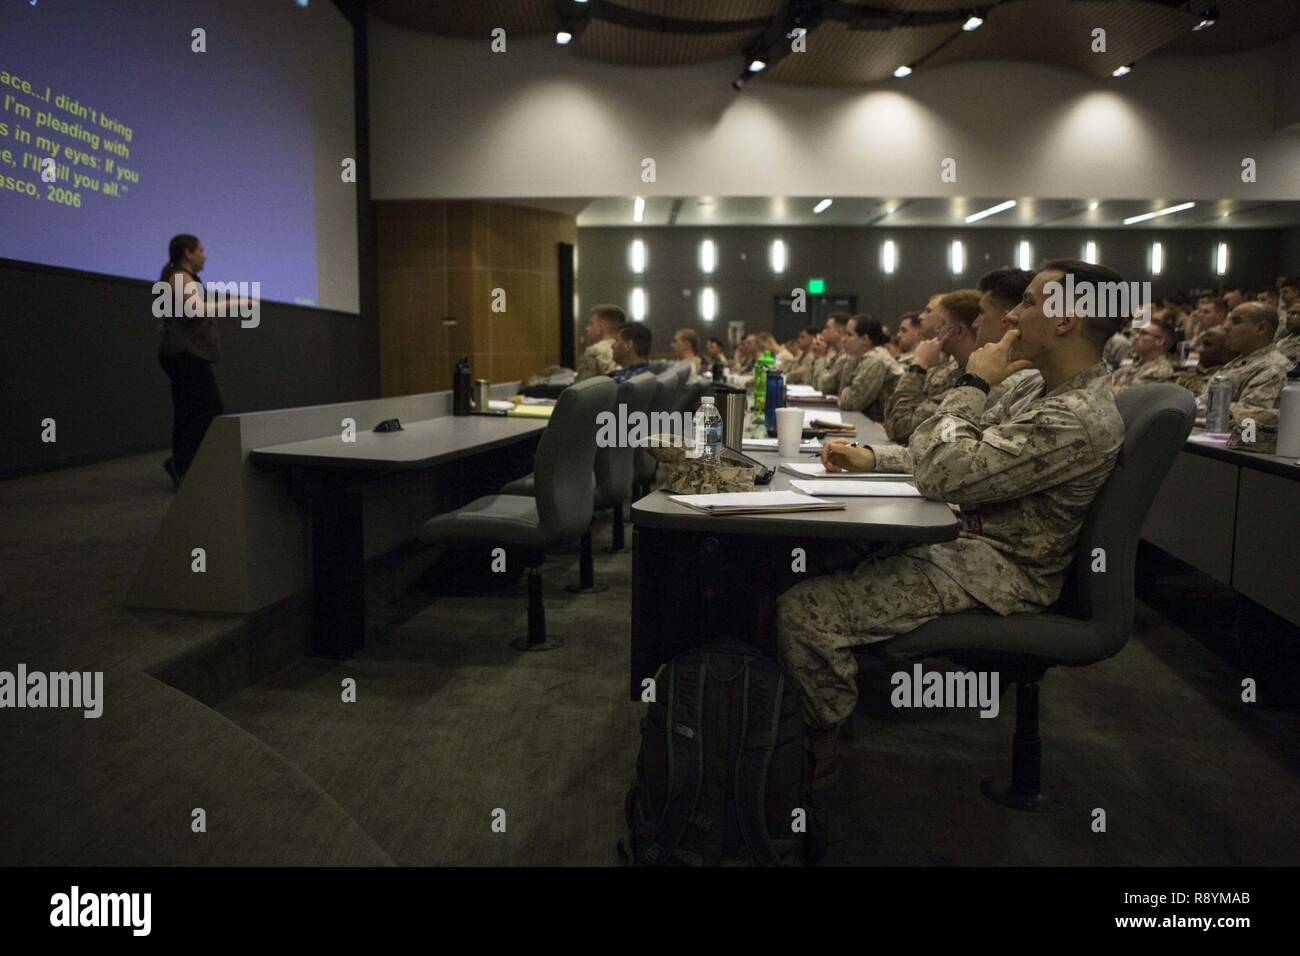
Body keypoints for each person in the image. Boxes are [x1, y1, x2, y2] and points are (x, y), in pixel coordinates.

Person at [776, 259, 1127, 781]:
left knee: (804, 613)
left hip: (1000, 570)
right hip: (966, 538)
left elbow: (946, 468)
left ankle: (817, 742)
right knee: (799, 559)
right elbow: (952, 448)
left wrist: (972, 382)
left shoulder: (1075, 416)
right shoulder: (1036, 388)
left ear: (1064, 320)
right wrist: (876, 459)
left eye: (1028, 303)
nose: (1012, 318)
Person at [157, 234, 227, 488]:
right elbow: (195, 309)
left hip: (187, 355)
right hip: (185, 355)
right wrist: (237, 303)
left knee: (192, 412)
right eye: (201, 250)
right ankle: (183, 465)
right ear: (187, 253)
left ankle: (183, 464)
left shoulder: (179, 277)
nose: (204, 255)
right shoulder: (178, 277)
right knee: (206, 411)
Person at [1196, 303, 1294, 449]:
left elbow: (1243, 421)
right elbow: (1205, 403)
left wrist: (1192, 411)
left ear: (1260, 328)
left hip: (1236, 451)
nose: (1226, 326)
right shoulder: (1241, 361)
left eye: (1236, 322)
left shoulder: (1273, 368)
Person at [884, 290, 976, 443]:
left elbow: (900, 427)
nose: (920, 316)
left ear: (959, 331)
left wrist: (917, 367)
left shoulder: (969, 374)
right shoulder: (946, 365)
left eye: (943, 322)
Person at [837, 315, 901, 420]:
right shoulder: (861, 357)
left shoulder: (875, 360)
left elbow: (850, 403)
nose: (843, 339)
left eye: (849, 334)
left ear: (864, 339)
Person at [1109, 315, 1177, 394]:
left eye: (1143, 333)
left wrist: (1109, 387)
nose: (1136, 337)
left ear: (1159, 341)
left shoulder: (1160, 370)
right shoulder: (1136, 363)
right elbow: (1107, 381)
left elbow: (1125, 395)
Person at [1173, 326, 1234, 396]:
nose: (1200, 350)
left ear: (1228, 350)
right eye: (1201, 344)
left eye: (1207, 344)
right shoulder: (1195, 368)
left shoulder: (1224, 381)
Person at [574, 305, 625, 381]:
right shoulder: (625, 348)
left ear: (602, 326)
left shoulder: (595, 351)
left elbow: (580, 386)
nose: (587, 328)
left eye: (591, 324)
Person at [814, 313, 856, 393]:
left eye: (827, 328)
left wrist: (821, 357)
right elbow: (813, 383)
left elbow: (822, 386)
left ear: (839, 332)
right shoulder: (836, 355)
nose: (823, 331)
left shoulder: (845, 357)